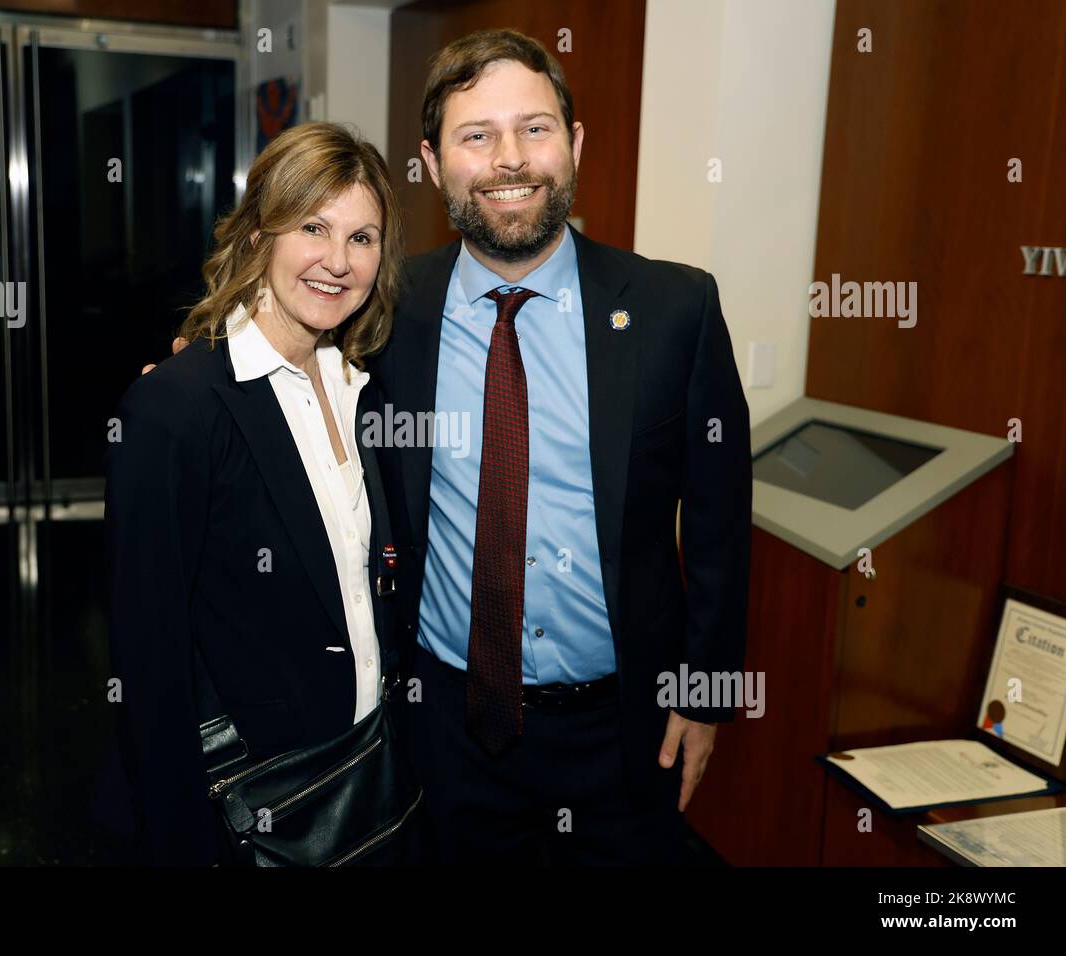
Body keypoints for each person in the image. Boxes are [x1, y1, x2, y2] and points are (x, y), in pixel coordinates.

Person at [151, 29, 752, 866]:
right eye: (477, 136)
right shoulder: (385, 310)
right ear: (433, 164)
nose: (511, 160)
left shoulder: (672, 310)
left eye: (535, 129)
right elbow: (280, 355)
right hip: (440, 731)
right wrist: (197, 378)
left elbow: (722, 519)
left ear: (574, 145)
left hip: (624, 731)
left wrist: (708, 691)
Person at [106, 121, 412, 866]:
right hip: (252, 805)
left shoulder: (358, 388)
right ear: (256, 235)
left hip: (368, 774)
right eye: (313, 227)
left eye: (363, 238)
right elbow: (147, 663)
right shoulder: (175, 409)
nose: (338, 262)